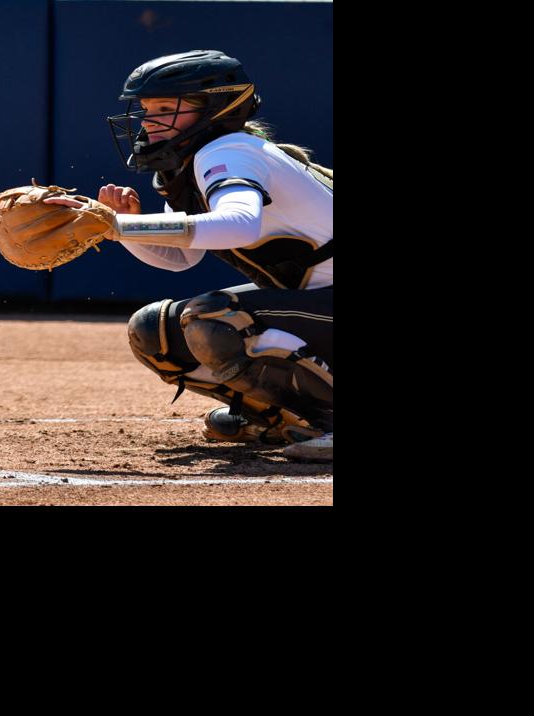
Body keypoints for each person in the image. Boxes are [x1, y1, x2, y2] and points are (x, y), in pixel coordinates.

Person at [62, 50, 333, 461]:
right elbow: (180, 259)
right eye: (147, 108)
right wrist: (124, 231)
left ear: (216, 109)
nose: (150, 120)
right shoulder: (194, 161)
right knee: (156, 332)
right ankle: (284, 414)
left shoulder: (229, 151)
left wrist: (119, 227)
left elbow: (239, 223)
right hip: (320, 305)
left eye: (167, 108)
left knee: (216, 319)